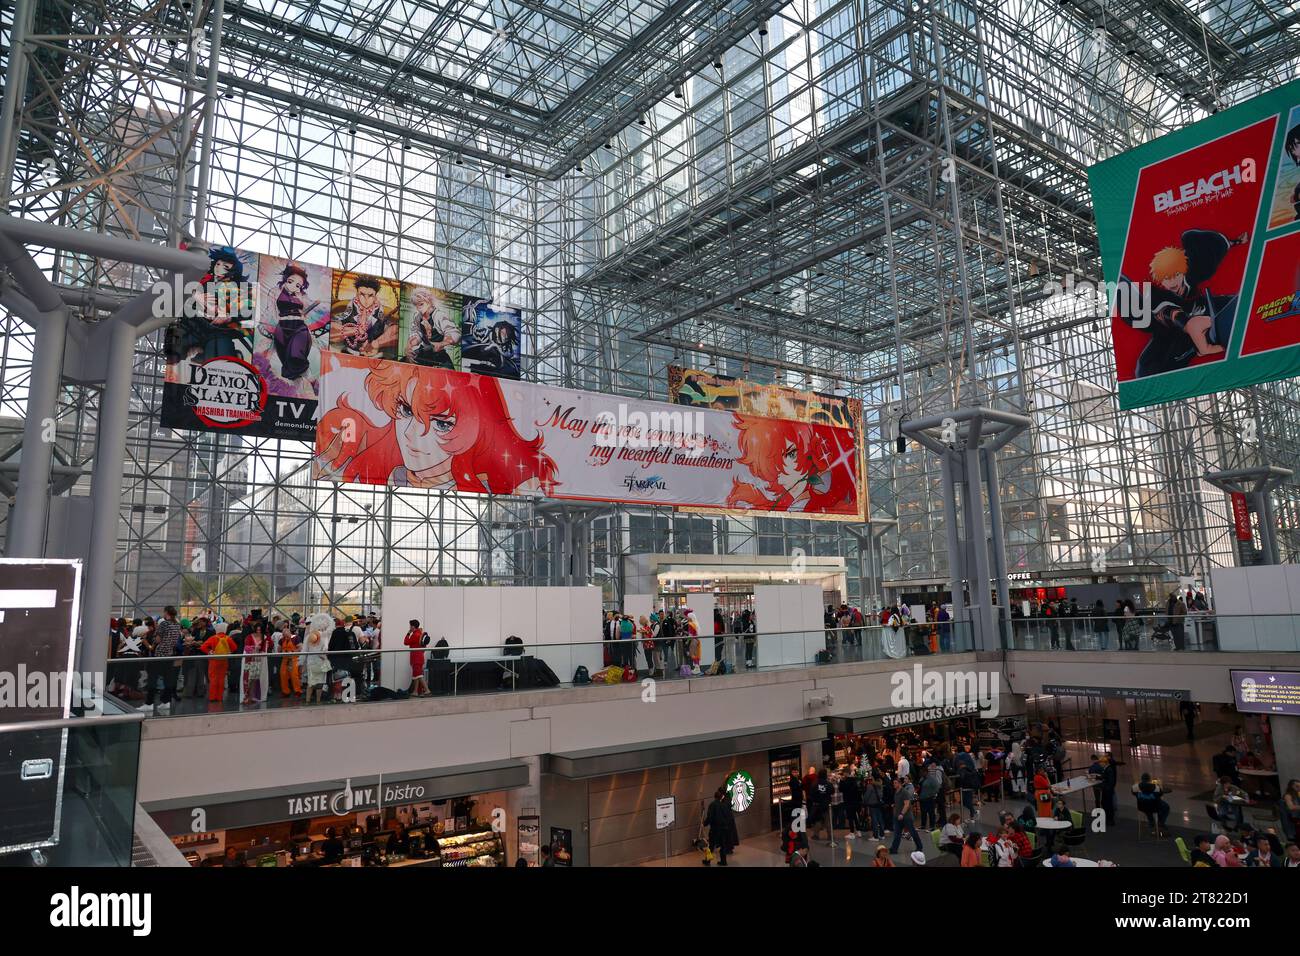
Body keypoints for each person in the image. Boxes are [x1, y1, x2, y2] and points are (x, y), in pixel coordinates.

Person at [144, 605, 182, 715]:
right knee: (168, 679)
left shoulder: (164, 623)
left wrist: (154, 642)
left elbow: (158, 638)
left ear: (166, 613)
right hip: (170, 654)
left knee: (152, 678)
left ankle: (149, 703)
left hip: (160, 654)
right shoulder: (177, 625)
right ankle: (166, 702)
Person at [199, 622, 238, 703]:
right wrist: (228, 651)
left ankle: (212, 697)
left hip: (214, 660)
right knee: (221, 679)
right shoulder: (228, 638)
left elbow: (203, 647)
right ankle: (219, 697)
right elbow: (235, 648)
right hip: (224, 661)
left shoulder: (213, 638)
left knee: (213, 679)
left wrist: (210, 652)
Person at [702, 787, 739, 866]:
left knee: (711, 845)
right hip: (724, 829)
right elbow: (727, 816)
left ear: (715, 797)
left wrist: (704, 824)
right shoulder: (724, 805)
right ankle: (723, 861)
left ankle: (707, 861)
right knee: (723, 845)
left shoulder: (712, 805)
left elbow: (710, 817)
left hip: (715, 829)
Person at [889, 774, 925, 856]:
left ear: (899, 783)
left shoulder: (904, 792)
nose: (894, 784)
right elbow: (900, 803)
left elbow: (907, 804)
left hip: (906, 817)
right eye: (893, 783)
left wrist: (902, 813)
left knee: (912, 832)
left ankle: (919, 846)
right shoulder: (896, 792)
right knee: (897, 833)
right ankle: (894, 849)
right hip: (898, 817)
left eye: (895, 783)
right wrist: (895, 805)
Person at [404, 619, 429, 696]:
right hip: (420, 657)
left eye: (410, 626)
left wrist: (408, 633)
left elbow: (406, 642)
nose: (409, 627)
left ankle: (427, 690)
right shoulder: (420, 634)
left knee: (419, 675)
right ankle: (415, 691)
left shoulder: (415, 635)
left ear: (413, 626)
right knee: (416, 675)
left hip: (416, 658)